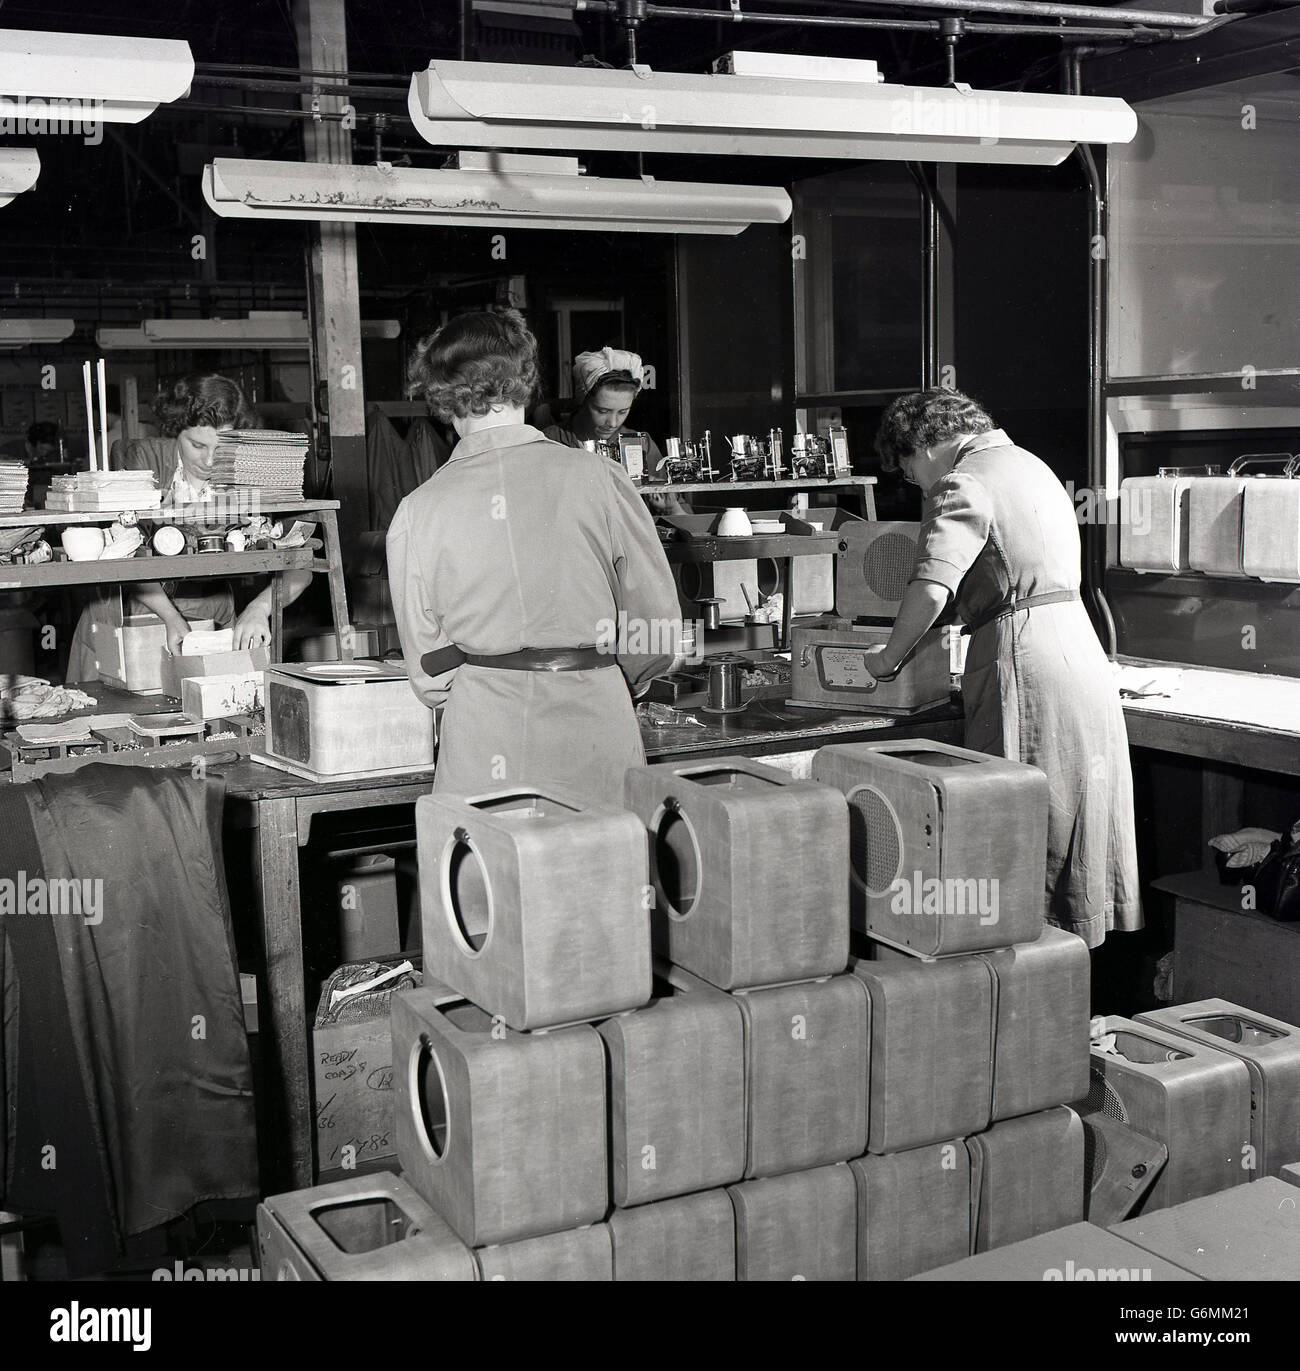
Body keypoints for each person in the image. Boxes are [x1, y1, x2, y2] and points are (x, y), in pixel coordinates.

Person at [865, 388, 1141, 948]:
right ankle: (1063, 995)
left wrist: (887, 658)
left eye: (910, 470)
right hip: (1076, 649)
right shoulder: (1033, 466)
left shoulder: (963, 479)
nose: (916, 484)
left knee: (1013, 825)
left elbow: (932, 584)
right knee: (1070, 819)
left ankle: (1021, 988)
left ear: (924, 446)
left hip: (1026, 661)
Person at [388, 310, 681, 806]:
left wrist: (489, 676)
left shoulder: (417, 511)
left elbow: (429, 668)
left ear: (439, 397)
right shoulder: (601, 479)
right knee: (604, 872)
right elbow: (656, 627)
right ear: (527, 382)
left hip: (484, 734)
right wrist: (607, 677)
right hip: (595, 724)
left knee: (486, 875)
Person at [64, 374, 311, 682]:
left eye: (221, 448)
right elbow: (122, 557)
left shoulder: (250, 472)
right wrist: (169, 616)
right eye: (197, 445)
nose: (209, 460)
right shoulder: (143, 462)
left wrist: (260, 609)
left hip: (213, 617)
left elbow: (302, 566)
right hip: (128, 615)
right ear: (176, 430)